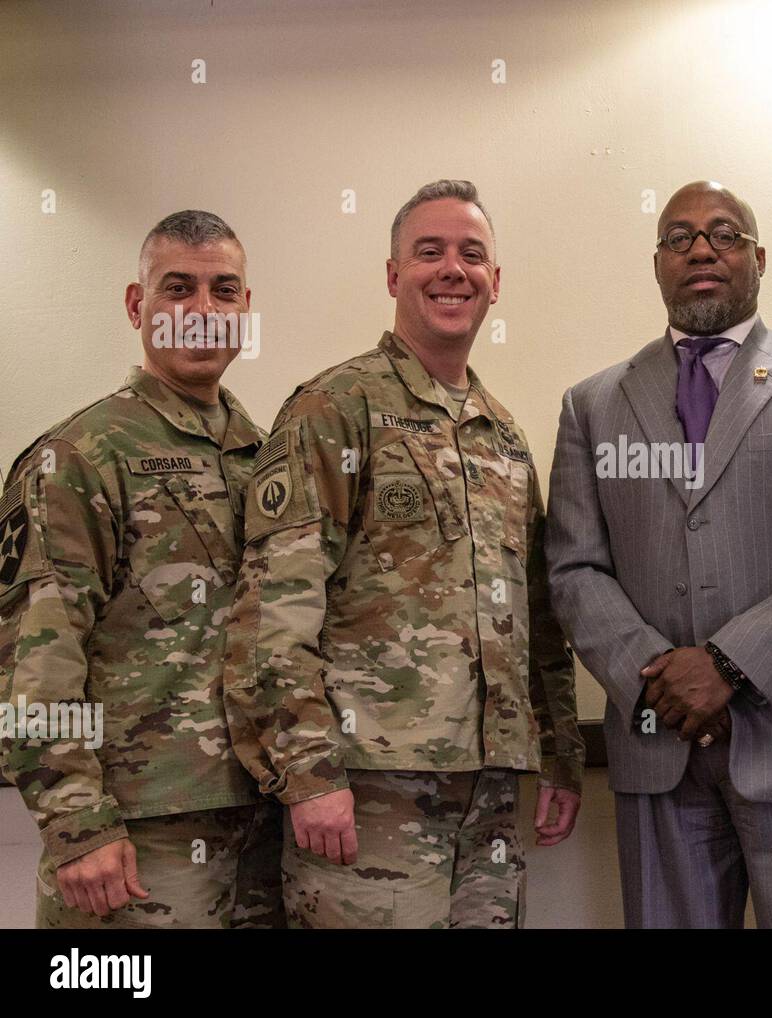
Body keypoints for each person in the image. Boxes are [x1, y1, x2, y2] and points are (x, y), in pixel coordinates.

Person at [223, 179, 583, 928]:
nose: (453, 269)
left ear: (494, 283)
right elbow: (272, 612)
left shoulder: (503, 437)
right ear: (393, 275)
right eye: (429, 252)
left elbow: (540, 619)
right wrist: (309, 774)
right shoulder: (335, 409)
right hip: (368, 787)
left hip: (491, 789)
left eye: (472, 254)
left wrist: (561, 756)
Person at [546, 180, 772, 928]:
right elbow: (575, 568)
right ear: (658, 263)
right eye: (679, 238)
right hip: (655, 746)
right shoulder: (593, 404)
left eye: (725, 234)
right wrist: (659, 680)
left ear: (759, 258)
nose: (701, 249)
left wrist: (728, 665)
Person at [0, 210, 284, 928]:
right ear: (138, 306)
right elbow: (36, 657)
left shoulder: (270, 458)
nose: (201, 311)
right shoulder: (80, 455)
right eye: (177, 288)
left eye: (224, 291)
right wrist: (77, 824)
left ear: (246, 311)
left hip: (263, 824)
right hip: (134, 834)